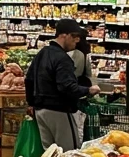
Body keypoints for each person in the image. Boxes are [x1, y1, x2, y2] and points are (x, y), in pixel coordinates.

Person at [24, 18, 101, 150]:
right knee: (68, 154)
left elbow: (29, 80)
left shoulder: (42, 53)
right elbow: (67, 87)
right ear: (63, 35)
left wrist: (31, 103)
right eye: (75, 37)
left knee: (50, 155)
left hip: (40, 112)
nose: (77, 41)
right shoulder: (63, 59)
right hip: (59, 112)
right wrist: (88, 90)